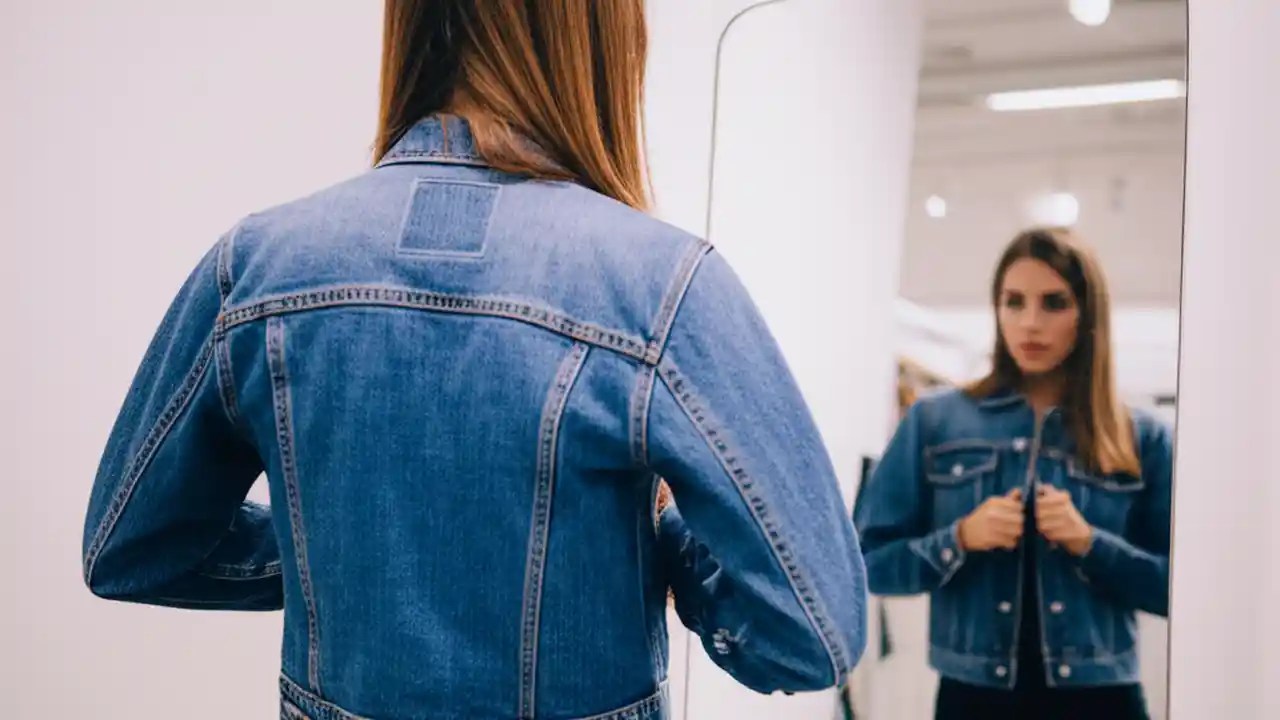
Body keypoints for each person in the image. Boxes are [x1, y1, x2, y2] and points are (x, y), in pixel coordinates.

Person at [79, 2, 866, 718]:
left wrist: (334, 561)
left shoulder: (257, 264)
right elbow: (810, 633)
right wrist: (659, 535)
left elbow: (133, 548)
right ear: (605, 36)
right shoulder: (662, 286)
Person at [855, 227, 1172, 720]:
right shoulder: (936, 421)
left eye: (1054, 302)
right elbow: (869, 564)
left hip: (1102, 699)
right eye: (1013, 301)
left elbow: (1178, 589)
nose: (1029, 323)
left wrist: (1091, 542)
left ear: (1088, 314)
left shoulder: (1141, 436)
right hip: (974, 698)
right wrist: (957, 538)